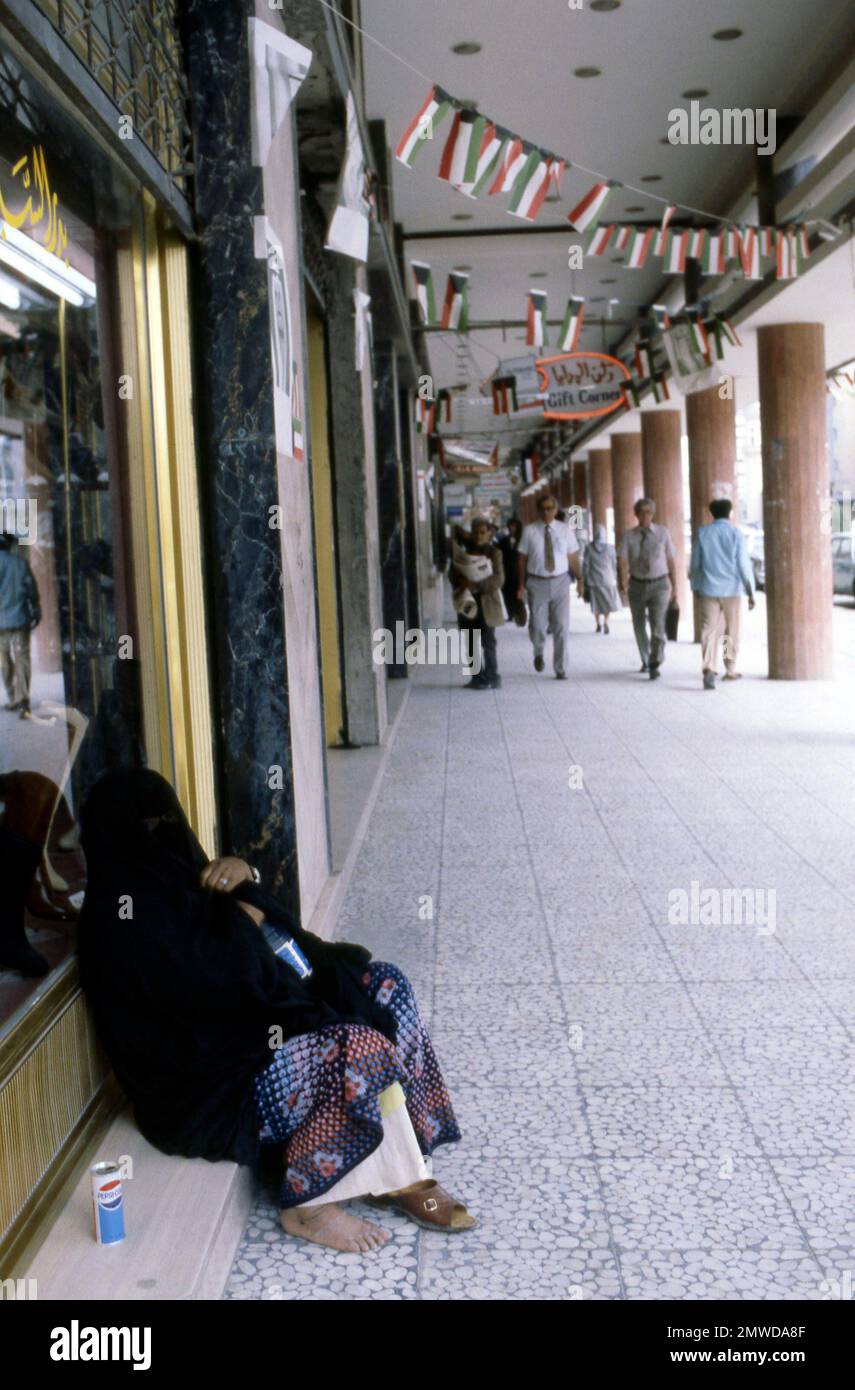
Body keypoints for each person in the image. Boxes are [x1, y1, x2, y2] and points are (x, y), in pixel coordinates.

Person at [77, 769, 474, 1253]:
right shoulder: (118, 917)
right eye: (145, 827)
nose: (162, 835)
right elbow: (213, 997)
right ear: (115, 835)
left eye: (166, 819)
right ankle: (307, 1207)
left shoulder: (183, 879)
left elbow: (277, 946)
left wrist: (247, 878)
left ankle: (402, 1168)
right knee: (357, 1046)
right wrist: (237, 926)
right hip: (209, 1090)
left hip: (257, 1037)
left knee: (385, 984)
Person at [690, 497, 756, 690]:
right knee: (729, 631)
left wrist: (695, 587)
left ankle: (709, 668)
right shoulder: (736, 534)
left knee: (709, 630)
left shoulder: (703, 533)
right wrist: (750, 591)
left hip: (708, 589)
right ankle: (730, 668)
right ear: (730, 512)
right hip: (731, 591)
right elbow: (743, 565)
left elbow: (695, 564)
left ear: (712, 513)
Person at [516, 493, 583, 680]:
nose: (546, 512)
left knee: (561, 626)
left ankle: (560, 667)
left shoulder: (565, 530)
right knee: (537, 625)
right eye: (543, 509)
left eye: (550, 508)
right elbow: (521, 559)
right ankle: (538, 651)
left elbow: (573, 557)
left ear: (555, 510)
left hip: (561, 581)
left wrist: (580, 579)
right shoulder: (530, 531)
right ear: (539, 510)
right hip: (537, 582)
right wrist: (521, 585)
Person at [617, 498, 677, 681]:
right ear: (636, 514)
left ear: (653, 514)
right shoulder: (629, 535)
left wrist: (675, 587)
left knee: (658, 627)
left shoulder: (663, 533)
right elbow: (622, 559)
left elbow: (671, 560)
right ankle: (645, 658)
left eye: (649, 512)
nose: (645, 516)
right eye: (642, 512)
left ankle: (655, 660)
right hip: (636, 584)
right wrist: (623, 582)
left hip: (659, 585)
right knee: (639, 625)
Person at [449, 515, 505, 689]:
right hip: (467, 602)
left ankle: (493, 676)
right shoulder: (463, 552)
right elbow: (452, 574)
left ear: (489, 534)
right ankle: (477, 678)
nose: (479, 535)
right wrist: (461, 580)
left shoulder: (495, 553)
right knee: (470, 640)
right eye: (475, 532)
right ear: (470, 533)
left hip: (487, 602)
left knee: (488, 641)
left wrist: (477, 585)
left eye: (482, 532)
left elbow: (498, 579)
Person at [0, 532, 40, 718]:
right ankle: (23, 699)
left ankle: (13, 697)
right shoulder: (20, 563)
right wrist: (36, 610)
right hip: (20, 619)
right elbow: (31, 589)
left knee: (4, 660)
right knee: (22, 657)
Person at [583, 524, 620, 634]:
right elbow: (614, 564)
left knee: (596, 604)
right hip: (608, 580)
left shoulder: (589, 548)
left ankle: (598, 624)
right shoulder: (610, 548)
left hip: (594, 581)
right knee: (607, 603)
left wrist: (584, 579)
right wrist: (615, 577)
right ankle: (606, 623)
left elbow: (586, 565)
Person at [498, 517, 525, 624]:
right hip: (506, 571)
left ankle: (520, 612)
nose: (511, 528)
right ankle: (510, 613)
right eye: (510, 526)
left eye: (514, 526)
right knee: (506, 593)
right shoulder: (504, 540)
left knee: (517, 593)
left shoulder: (523, 540)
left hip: (519, 572)